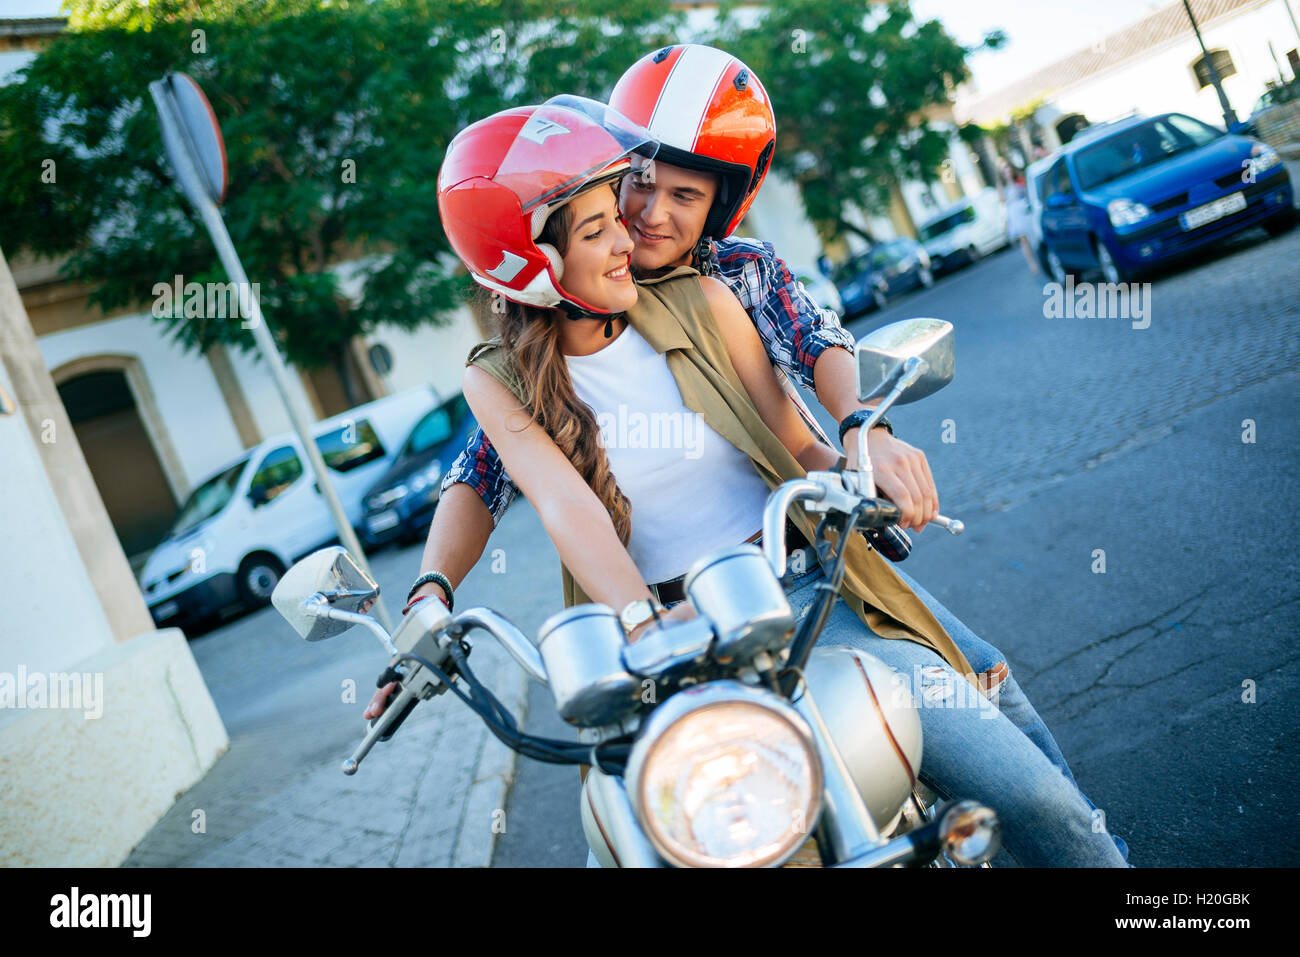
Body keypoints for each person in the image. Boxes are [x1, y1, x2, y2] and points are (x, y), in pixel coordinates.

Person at [385, 47, 1128, 861]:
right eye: (630, 192)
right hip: (663, 641)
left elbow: (812, 370)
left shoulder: (725, 280)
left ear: (720, 206)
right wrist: (430, 593)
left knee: (1014, 758)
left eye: (684, 195)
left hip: (800, 584)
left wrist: (864, 438)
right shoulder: (508, 375)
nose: (646, 217)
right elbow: (498, 479)